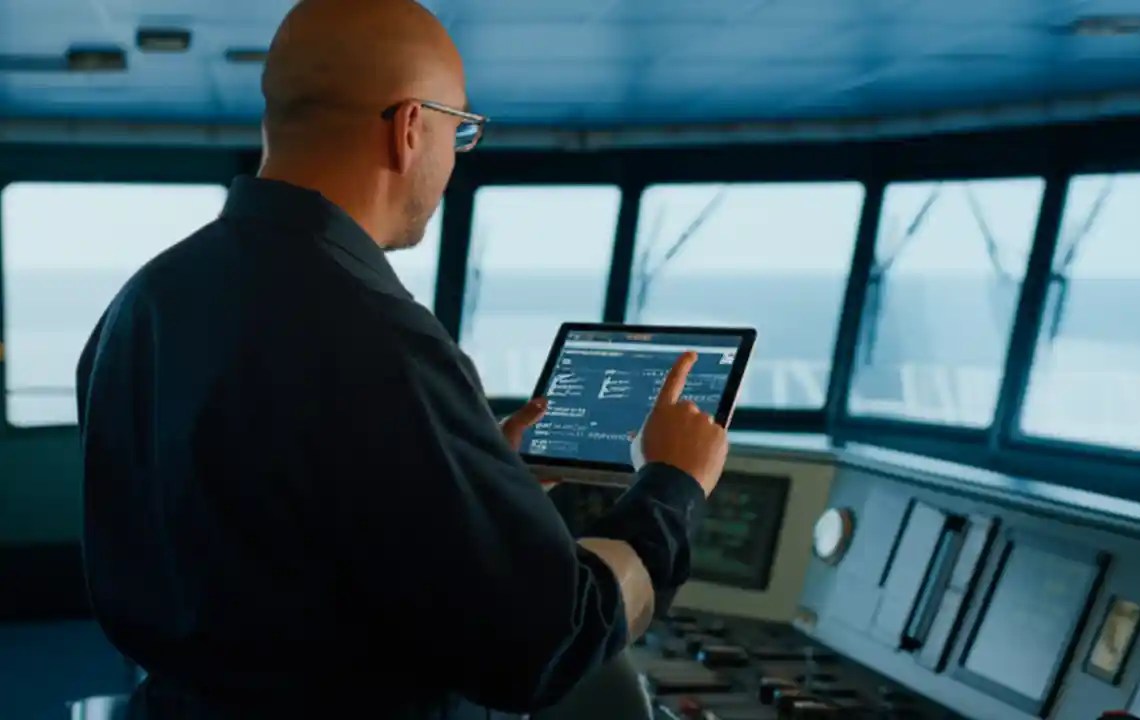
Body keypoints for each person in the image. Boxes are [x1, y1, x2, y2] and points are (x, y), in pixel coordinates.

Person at [73, 0, 729, 718]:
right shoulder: (379, 339)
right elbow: (543, 644)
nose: (455, 156)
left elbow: (281, 536)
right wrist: (672, 487)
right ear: (412, 127)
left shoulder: (142, 306)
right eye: (462, 130)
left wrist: (480, 484)